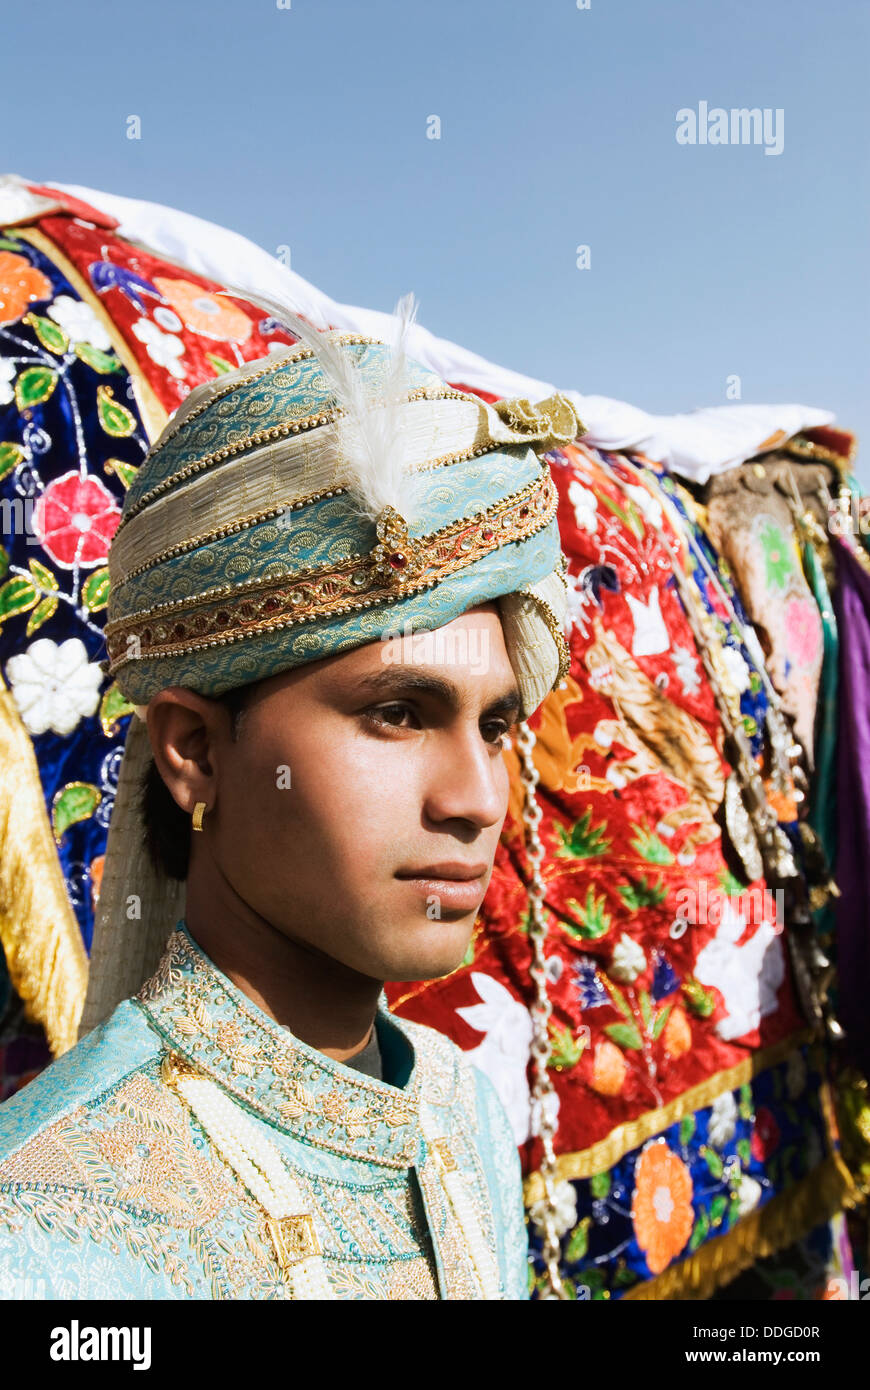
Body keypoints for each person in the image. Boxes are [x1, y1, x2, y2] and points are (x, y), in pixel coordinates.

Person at [0, 305, 579, 1300]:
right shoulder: (44, 1228)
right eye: (399, 712)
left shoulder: (462, 1113)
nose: (478, 797)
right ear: (195, 753)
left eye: (495, 726)